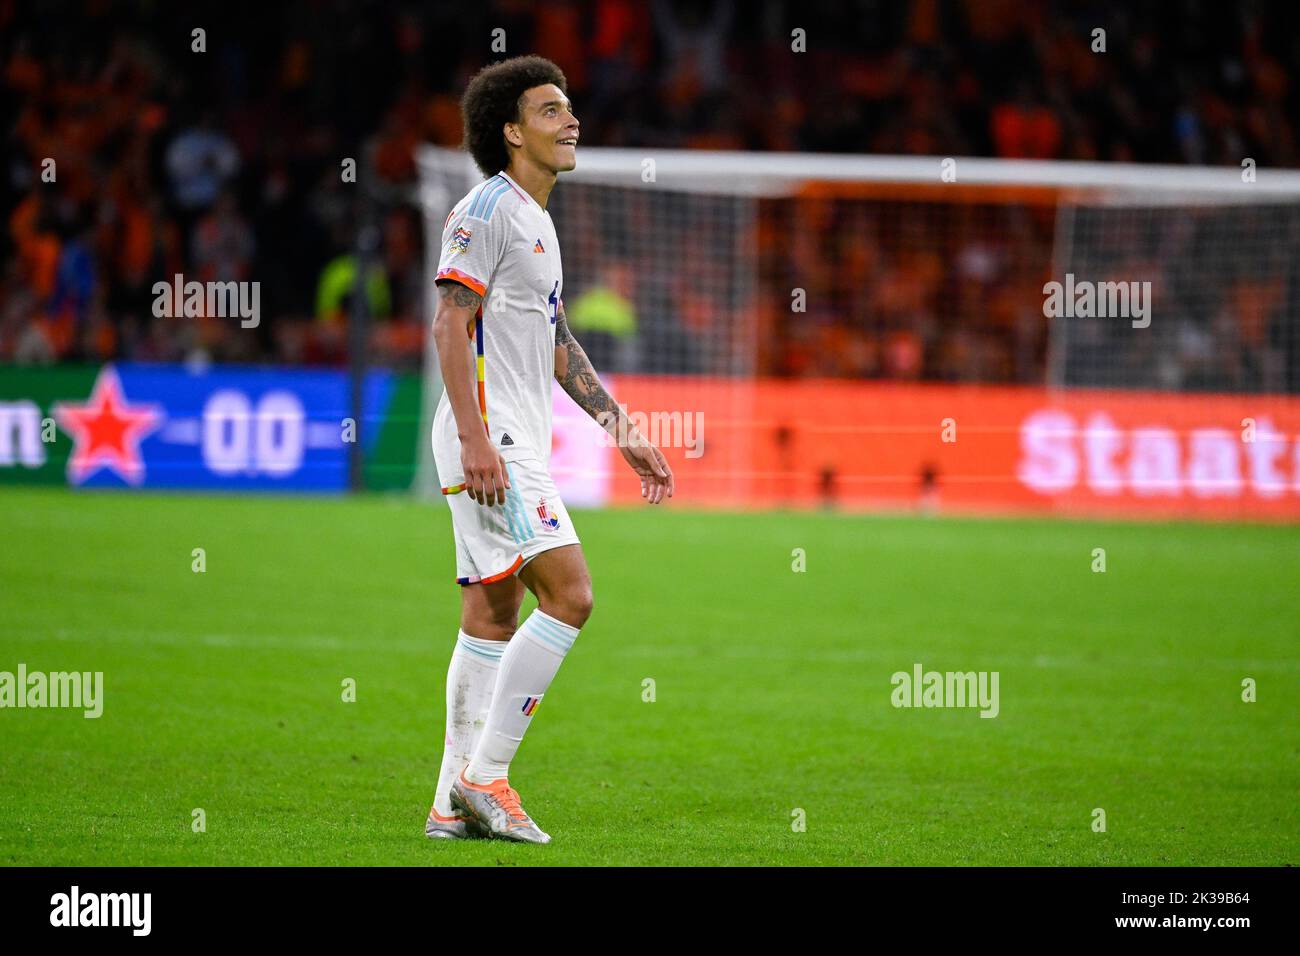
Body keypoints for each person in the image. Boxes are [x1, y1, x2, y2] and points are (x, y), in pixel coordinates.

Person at [425, 55, 674, 844]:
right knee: (570, 595)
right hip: (490, 433)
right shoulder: (485, 209)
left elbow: (558, 341)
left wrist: (622, 428)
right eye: (550, 110)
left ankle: (446, 807)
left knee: (491, 615)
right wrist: (475, 439)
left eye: (569, 108)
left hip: (509, 431)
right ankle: (487, 775)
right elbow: (449, 324)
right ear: (510, 131)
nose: (571, 121)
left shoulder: (537, 220)